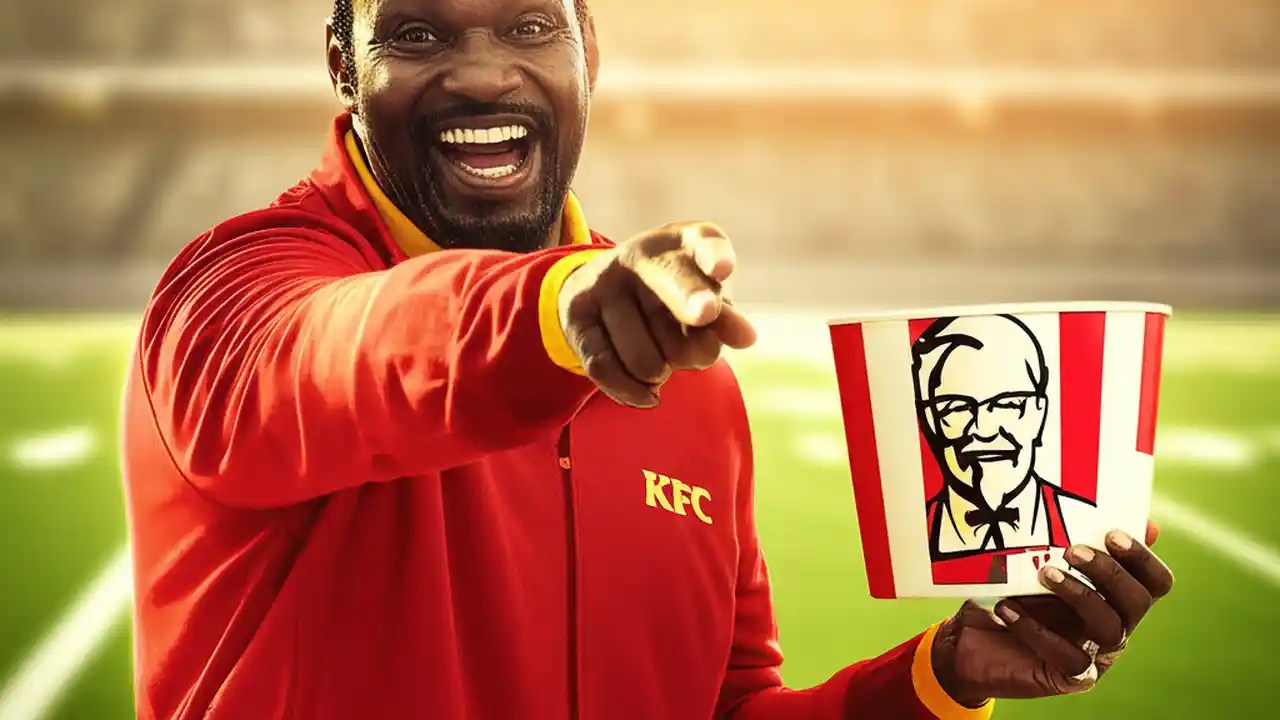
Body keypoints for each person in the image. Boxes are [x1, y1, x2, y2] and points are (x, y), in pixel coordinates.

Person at [120, 1, 1175, 718]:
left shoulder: (692, 382)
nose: (482, 69)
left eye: (530, 24)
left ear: (590, 52)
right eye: (419, 31)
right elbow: (337, 353)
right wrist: (557, 302)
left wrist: (938, 681)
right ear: (343, 66)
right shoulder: (234, 290)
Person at [914, 316, 1094, 579]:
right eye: (956, 407)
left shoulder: (1089, 524)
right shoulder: (905, 539)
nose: (984, 430)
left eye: (1008, 404)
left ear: (1039, 414)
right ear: (930, 421)